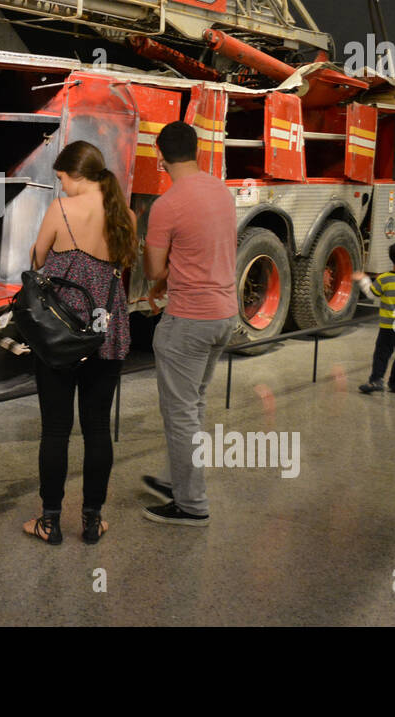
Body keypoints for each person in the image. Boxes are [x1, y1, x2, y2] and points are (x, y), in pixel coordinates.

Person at [22, 141, 134, 545]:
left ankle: (50, 522)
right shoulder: (126, 215)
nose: (62, 187)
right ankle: (92, 520)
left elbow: (37, 260)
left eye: (62, 179)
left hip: (61, 336)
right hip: (106, 334)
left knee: (55, 429)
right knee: (98, 428)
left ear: (75, 175)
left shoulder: (61, 211)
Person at [139, 121, 237, 527]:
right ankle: (178, 481)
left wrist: (152, 266)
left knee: (180, 414)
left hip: (189, 321)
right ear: (196, 150)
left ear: (161, 155)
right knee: (193, 407)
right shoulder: (221, 191)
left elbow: (155, 267)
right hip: (223, 316)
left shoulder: (167, 205)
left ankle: (191, 505)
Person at [354, 240, 395, 395]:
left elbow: (372, 294)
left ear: (391, 258)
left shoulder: (384, 279)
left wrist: (363, 279)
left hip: (388, 325)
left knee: (382, 352)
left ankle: (376, 379)